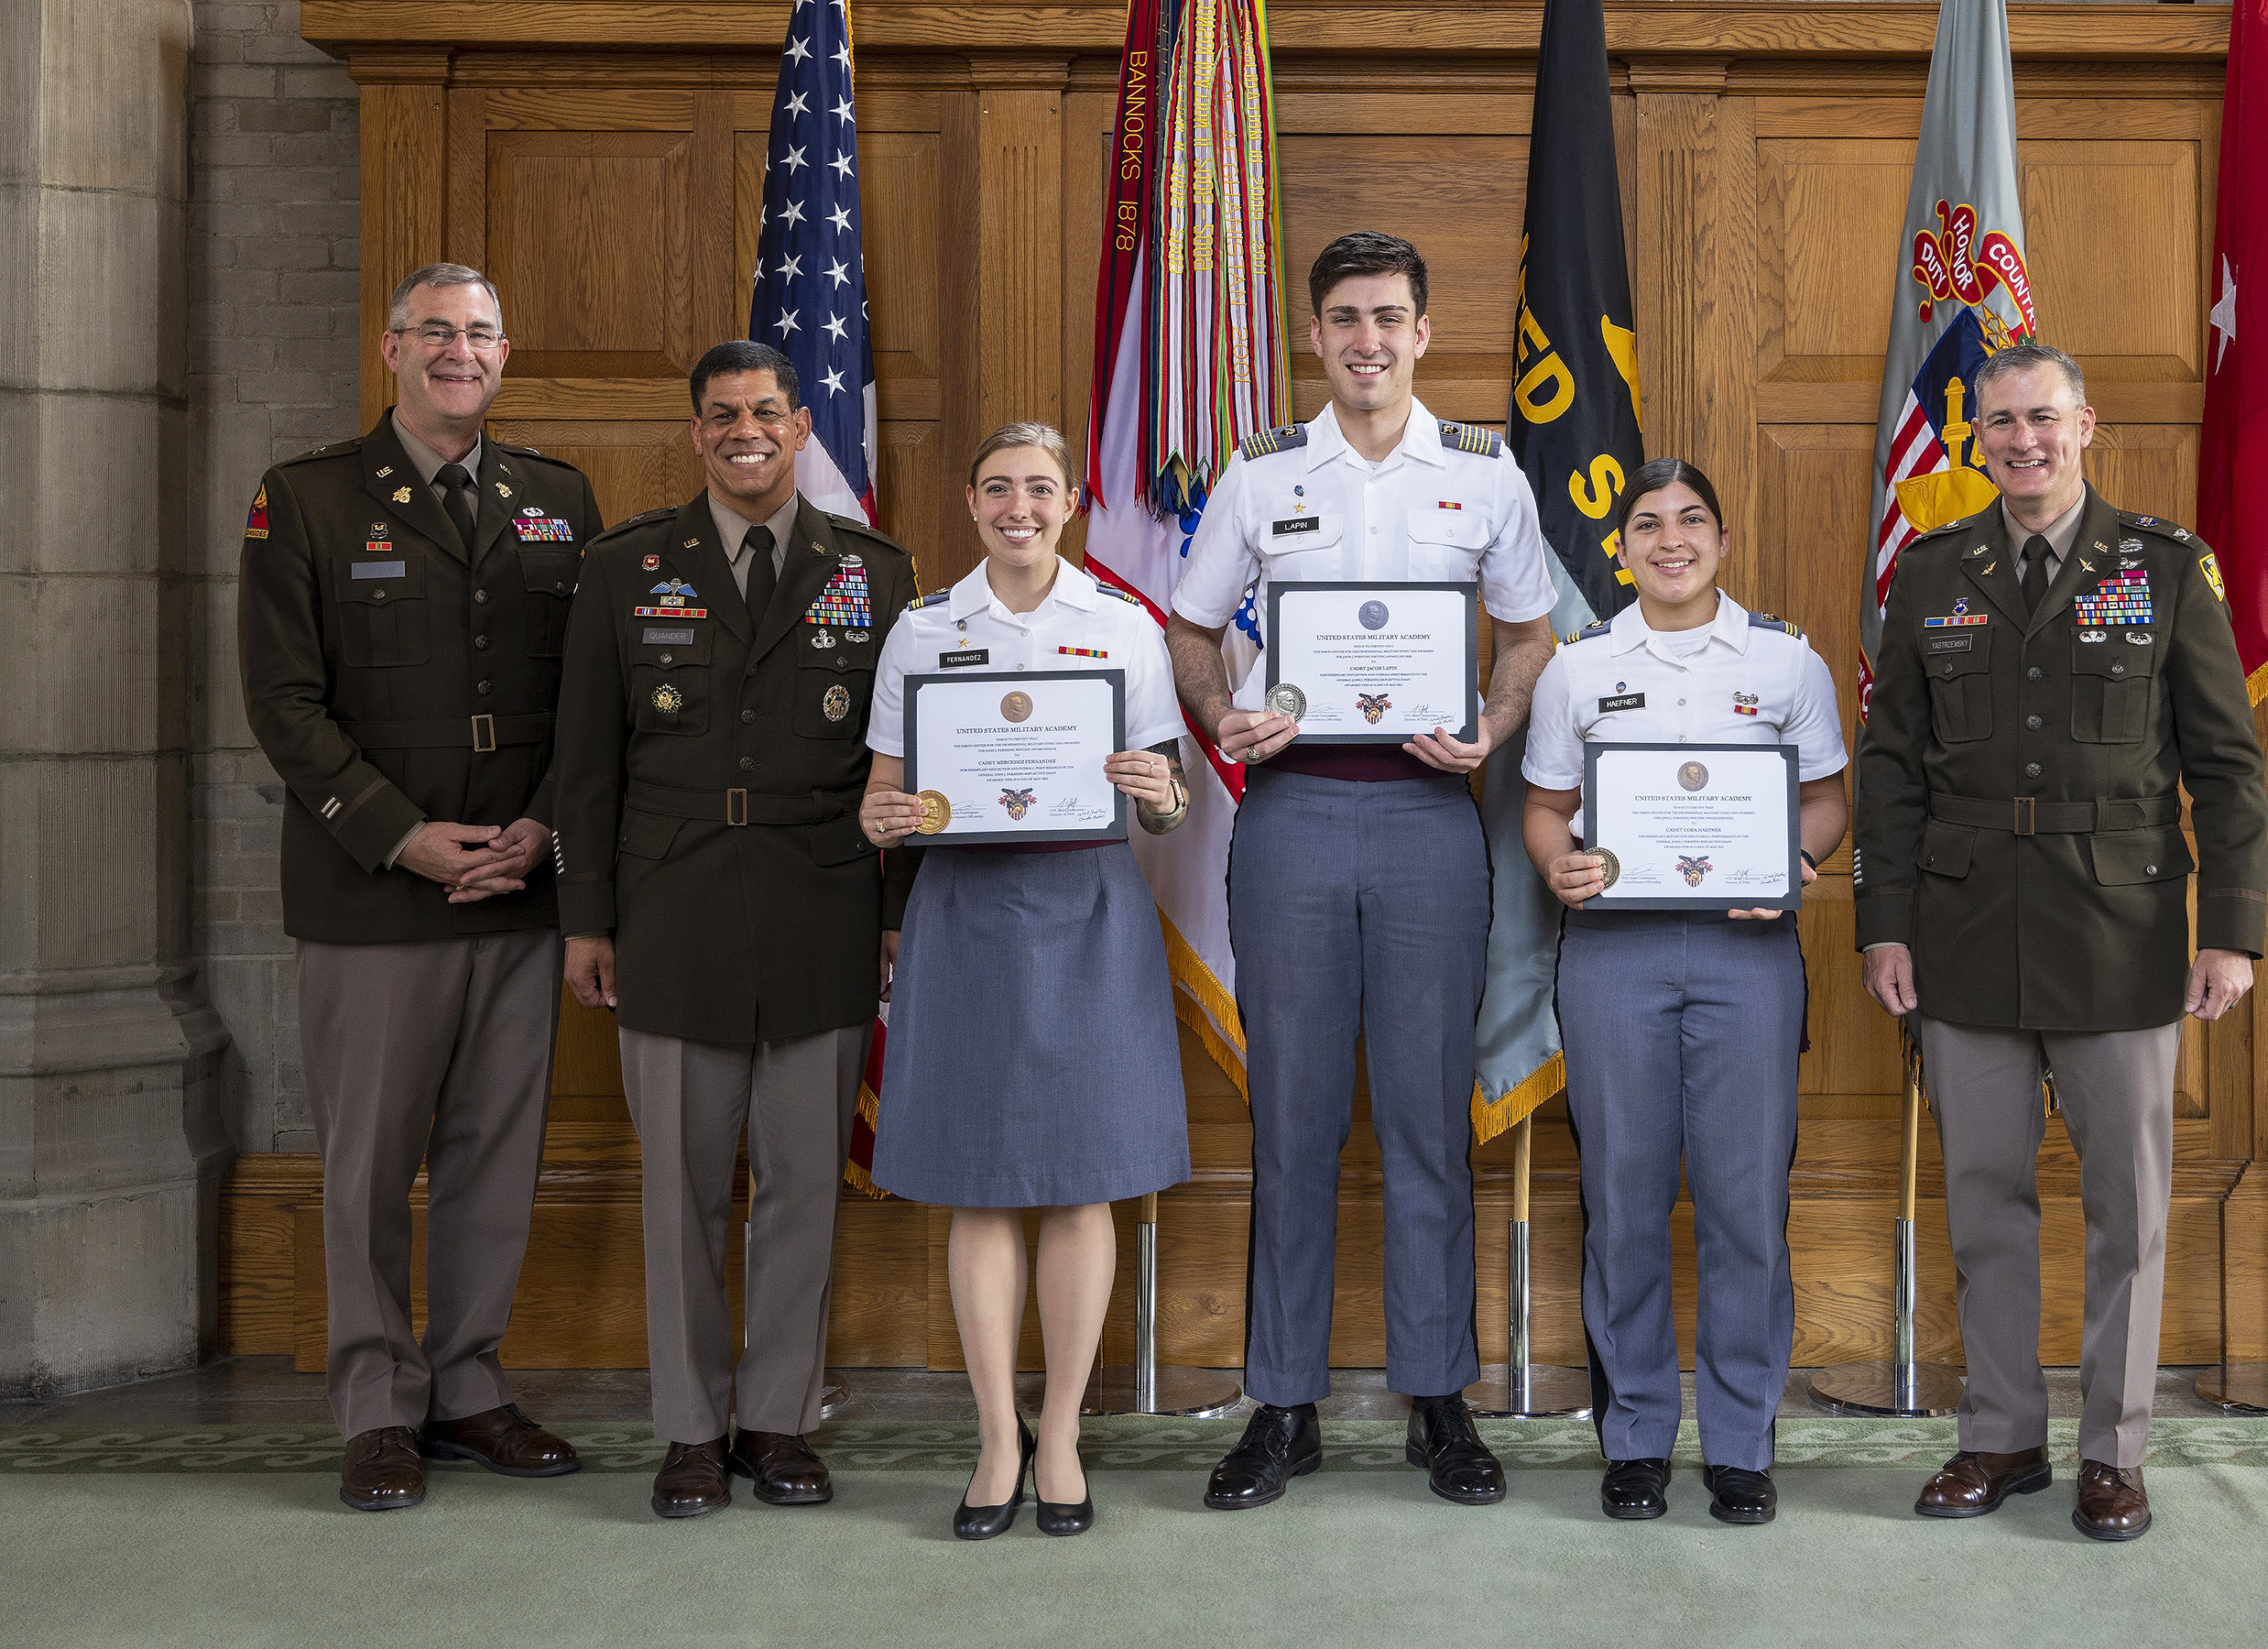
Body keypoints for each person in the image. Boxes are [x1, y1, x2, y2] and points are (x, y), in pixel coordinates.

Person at [1164, 231, 1560, 1510]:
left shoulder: (1484, 476)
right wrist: (1220, 715)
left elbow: (1532, 631)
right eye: (1344, 319)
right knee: (1292, 1122)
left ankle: (1438, 1397)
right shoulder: (1262, 473)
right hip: (1288, 816)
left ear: (1423, 330)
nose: (1367, 341)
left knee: (1423, 1124)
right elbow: (1188, 626)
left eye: (1388, 316)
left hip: (1429, 820)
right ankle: (1282, 1403)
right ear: (1316, 335)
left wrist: (1495, 730)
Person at [1855, 340, 2268, 1542]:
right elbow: (1890, 773)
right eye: (2000, 424)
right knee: (1984, 1204)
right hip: (1964, 934)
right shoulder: (1932, 573)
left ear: (2086, 427)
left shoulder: (2161, 567)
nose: (2022, 440)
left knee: (2127, 1211)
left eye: (2044, 418)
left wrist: (2230, 935)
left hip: (2122, 932)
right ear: (1976, 437)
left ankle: (2114, 1453)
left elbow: (2229, 770)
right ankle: (1999, 1438)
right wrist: (1885, 924)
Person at [238, 262, 603, 1511]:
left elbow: (589, 695)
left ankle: (468, 1390)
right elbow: (284, 705)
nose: (462, 351)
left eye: (483, 333)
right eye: (437, 332)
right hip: (374, 895)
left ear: (505, 354)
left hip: (517, 885)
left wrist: (541, 826)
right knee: (367, 1164)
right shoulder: (308, 500)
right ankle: (377, 1405)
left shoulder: (557, 499)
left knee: (495, 1156)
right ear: (391, 349)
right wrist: (402, 836)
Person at [553, 339, 918, 1519]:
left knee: (806, 1184)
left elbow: (902, 761)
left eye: (765, 411)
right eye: (722, 416)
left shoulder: (873, 568)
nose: (744, 431)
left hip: (823, 899)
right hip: (671, 907)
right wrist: (586, 921)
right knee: (684, 1191)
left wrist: (892, 916)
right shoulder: (625, 567)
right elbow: (586, 768)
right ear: (695, 431)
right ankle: (690, 1432)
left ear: (802, 425)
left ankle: (778, 1420)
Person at [859, 421, 1193, 1540]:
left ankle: (1062, 1438)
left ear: (1070, 503)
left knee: (1083, 1176)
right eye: (998, 486)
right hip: (962, 912)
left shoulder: (1123, 626)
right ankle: (996, 1438)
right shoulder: (921, 630)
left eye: (1040, 488)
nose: (1019, 506)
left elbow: (1171, 800)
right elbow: (884, 792)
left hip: (1090, 908)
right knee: (981, 1178)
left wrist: (1160, 788)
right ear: (970, 499)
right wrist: (882, 815)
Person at [1522, 459, 1847, 1525]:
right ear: (1619, 547)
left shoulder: (1785, 661)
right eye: (1648, 523)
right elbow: (1546, 807)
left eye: (1692, 520)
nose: (1671, 540)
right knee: (1622, 1197)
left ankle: (1743, 1441)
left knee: (1746, 1200)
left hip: (1745, 956)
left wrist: (1794, 863)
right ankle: (1638, 1440)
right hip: (1613, 953)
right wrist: (1555, 864)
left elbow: (1829, 798)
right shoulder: (1577, 669)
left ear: (1720, 538)